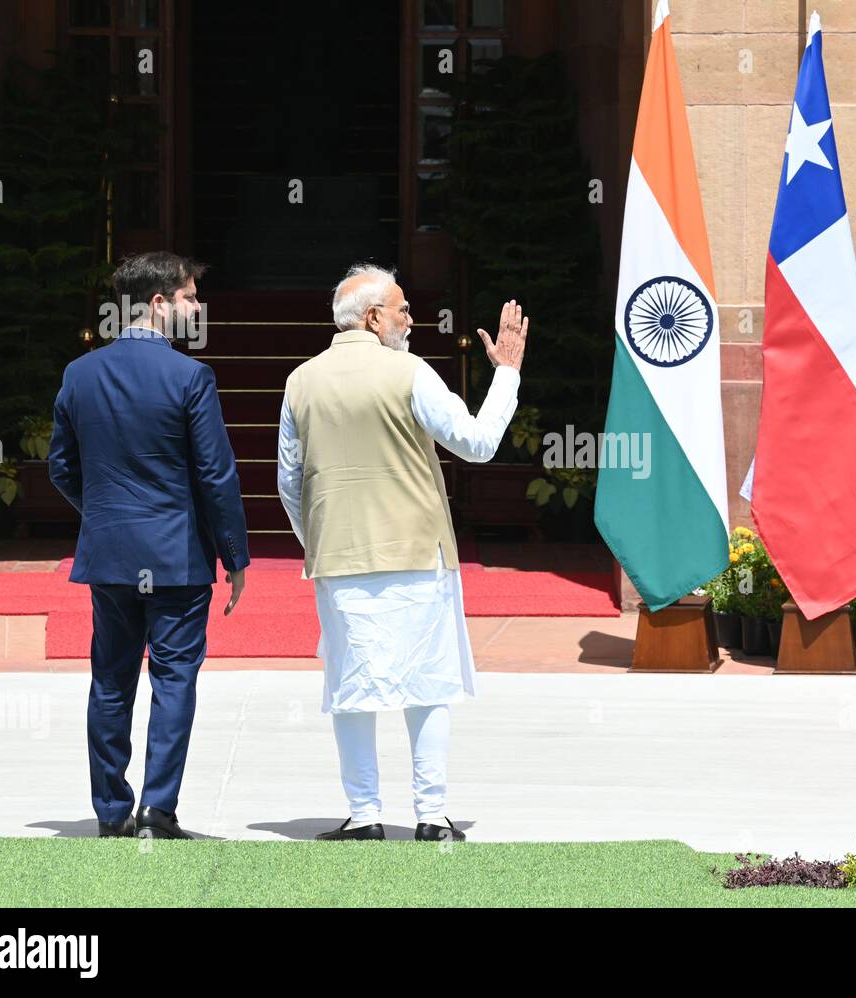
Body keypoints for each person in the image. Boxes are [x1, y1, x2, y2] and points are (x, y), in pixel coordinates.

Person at [277, 263, 526, 841]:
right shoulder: (410, 371)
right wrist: (507, 374)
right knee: (428, 683)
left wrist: (317, 540)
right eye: (402, 309)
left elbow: (289, 482)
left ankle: (364, 817)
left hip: (339, 559)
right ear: (372, 318)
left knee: (351, 689)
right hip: (417, 553)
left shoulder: (300, 381)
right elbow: (478, 444)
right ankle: (431, 816)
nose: (411, 319)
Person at [48, 251, 249, 841]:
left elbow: (62, 467)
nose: (197, 307)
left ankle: (112, 812)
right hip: (176, 556)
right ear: (158, 304)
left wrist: (104, 516)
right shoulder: (190, 377)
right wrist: (234, 556)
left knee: (110, 681)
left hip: (110, 554)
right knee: (175, 678)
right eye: (189, 297)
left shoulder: (79, 374)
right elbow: (216, 476)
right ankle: (159, 811)